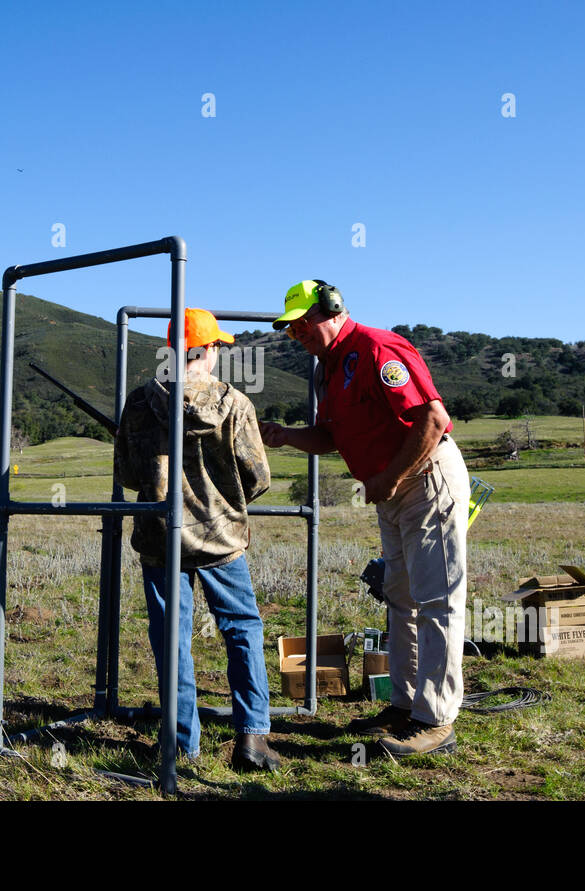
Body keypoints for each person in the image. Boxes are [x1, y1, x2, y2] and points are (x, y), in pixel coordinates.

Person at [258, 280, 469, 757]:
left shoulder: (377, 347)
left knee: (435, 598)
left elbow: (432, 420)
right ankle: (405, 706)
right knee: (401, 596)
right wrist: (286, 436)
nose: (299, 336)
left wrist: (392, 477)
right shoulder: (328, 370)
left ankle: (436, 721)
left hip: (423, 476)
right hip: (392, 486)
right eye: (291, 332)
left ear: (331, 311)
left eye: (303, 324)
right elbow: (331, 435)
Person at [113, 308, 279, 771]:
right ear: (206, 352)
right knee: (242, 631)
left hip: (160, 541)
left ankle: (181, 744)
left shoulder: (139, 403)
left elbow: (127, 475)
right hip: (222, 539)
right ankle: (252, 739)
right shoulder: (234, 404)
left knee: (172, 640)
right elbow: (258, 478)